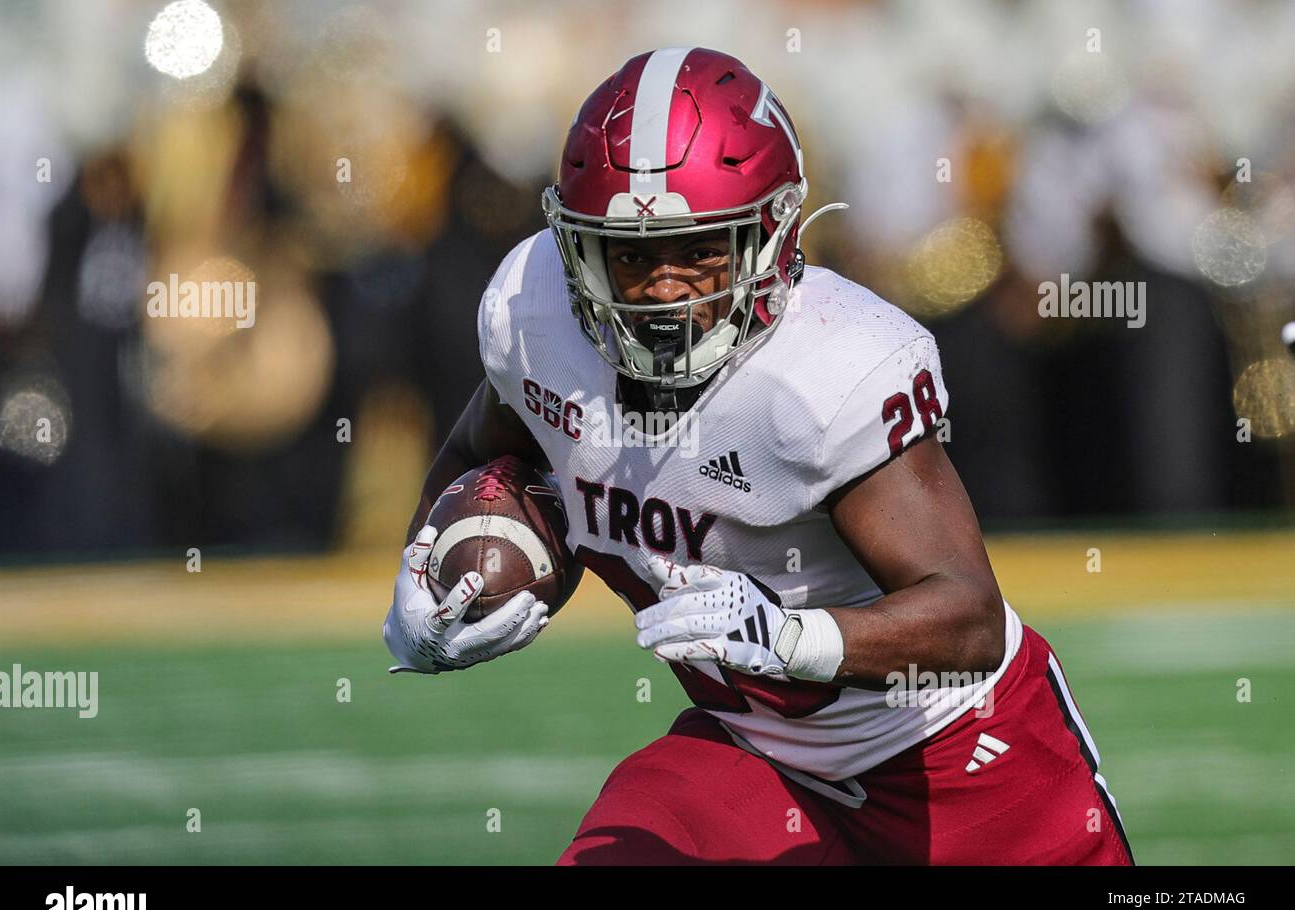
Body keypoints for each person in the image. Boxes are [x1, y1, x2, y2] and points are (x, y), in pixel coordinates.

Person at [382, 47, 1133, 865]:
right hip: (752, 755)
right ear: (577, 249)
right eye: (631, 255)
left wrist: (791, 637)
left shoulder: (826, 373)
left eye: (700, 250)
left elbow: (969, 616)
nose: (666, 289)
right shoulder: (538, 322)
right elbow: (477, 455)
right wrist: (425, 572)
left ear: (771, 236)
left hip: (954, 764)